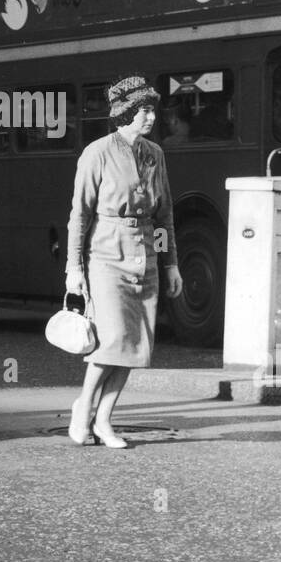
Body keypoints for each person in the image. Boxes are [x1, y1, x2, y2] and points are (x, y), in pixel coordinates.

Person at [65, 76, 183, 449]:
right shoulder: (96, 153)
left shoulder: (155, 154)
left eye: (152, 110)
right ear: (125, 114)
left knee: (135, 346)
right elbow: (79, 216)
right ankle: (83, 409)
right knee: (112, 339)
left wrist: (170, 264)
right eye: (143, 111)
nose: (150, 117)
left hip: (144, 255)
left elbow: (164, 216)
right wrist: (74, 268)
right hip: (105, 256)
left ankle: (104, 420)